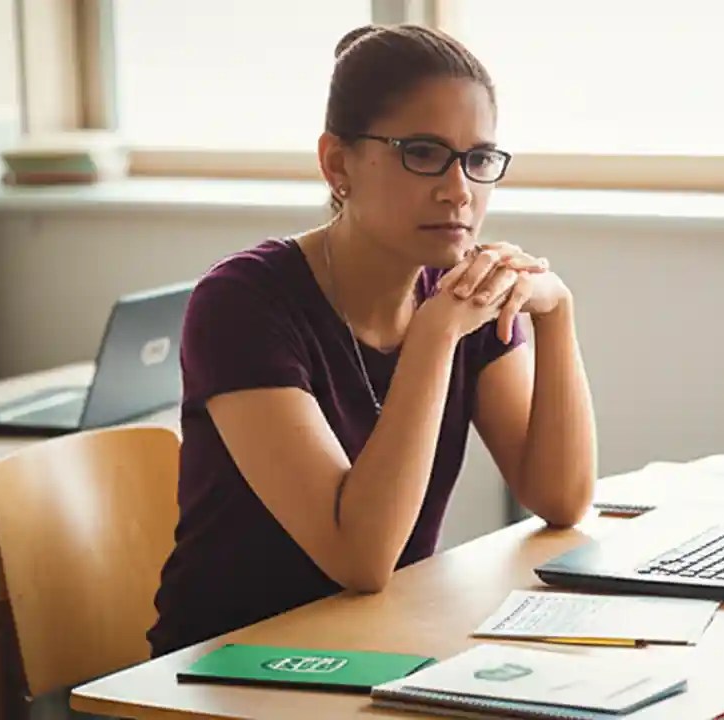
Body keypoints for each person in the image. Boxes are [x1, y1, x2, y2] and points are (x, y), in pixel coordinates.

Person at [146, 23, 597, 657]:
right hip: (228, 670)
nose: (459, 189)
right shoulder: (241, 302)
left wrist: (558, 318)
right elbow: (359, 558)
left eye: (478, 159)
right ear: (338, 163)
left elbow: (560, 498)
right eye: (422, 152)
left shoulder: (463, 292)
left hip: (378, 648)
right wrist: (435, 335)